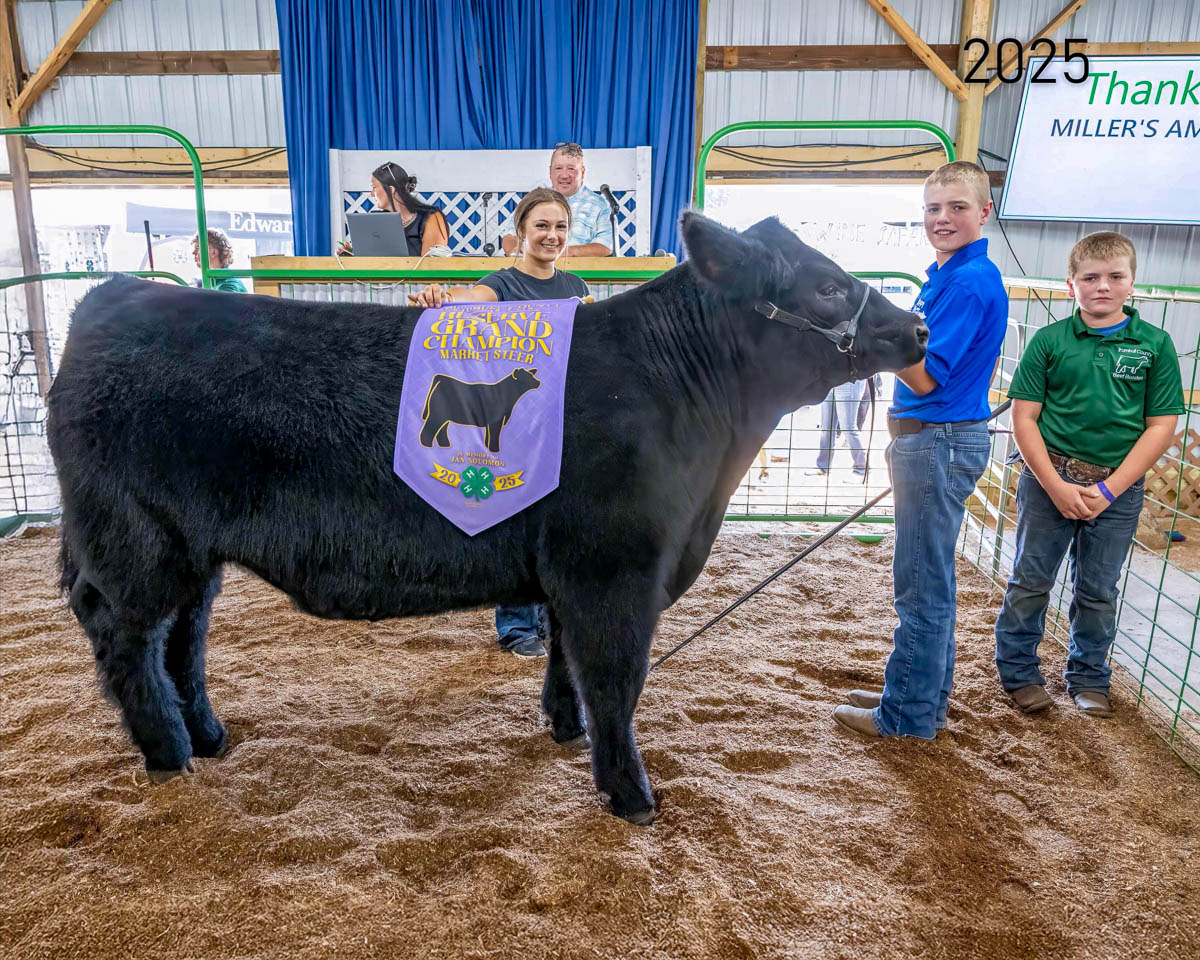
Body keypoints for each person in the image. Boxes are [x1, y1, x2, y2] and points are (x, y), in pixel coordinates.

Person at [832, 161, 1009, 739]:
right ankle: (915, 694)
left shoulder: (965, 282)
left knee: (920, 584)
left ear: (984, 212)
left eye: (958, 207)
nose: (943, 218)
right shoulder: (946, 274)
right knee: (930, 578)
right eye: (934, 208)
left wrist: (871, 342)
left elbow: (928, 376)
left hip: (937, 438)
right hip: (934, 439)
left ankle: (905, 717)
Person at [993, 233, 1184, 718]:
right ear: (1070, 284)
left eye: (1115, 277)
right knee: (1031, 579)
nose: (1103, 286)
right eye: (1090, 278)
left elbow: (1162, 425)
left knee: (1098, 588)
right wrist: (1056, 485)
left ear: (1132, 284)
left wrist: (1109, 489)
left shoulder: (1154, 345)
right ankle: (1018, 671)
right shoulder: (1050, 341)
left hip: (1117, 488)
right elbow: (1024, 418)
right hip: (1048, 478)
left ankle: (1089, 675)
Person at [410, 187, 588, 658]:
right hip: (514, 432)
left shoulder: (576, 289)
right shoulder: (503, 283)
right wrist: (441, 296)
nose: (552, 236)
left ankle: (552, 622)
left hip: (554, 421)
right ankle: (515, 626)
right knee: (515, 518)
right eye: (542, 226)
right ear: (520, 233)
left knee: (556, 524)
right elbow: (472, 297)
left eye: (560, 227)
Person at [500, 143, 614, 258]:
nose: (564, 175)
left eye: (571, 169)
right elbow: (510, 237)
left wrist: (559, 253)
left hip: (580, 273)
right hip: (533, 269)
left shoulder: (600, 205)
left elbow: (605, 247)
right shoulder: (533, 200)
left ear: (582, 172)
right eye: (558, 168)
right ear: (550, 172)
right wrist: (516, 251)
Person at [338, 161, 449, 257]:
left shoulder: (431, 217)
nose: (371, 194)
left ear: (391, 190)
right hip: (382, 281)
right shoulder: (378, 221)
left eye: (374, 188)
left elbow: (431, 267)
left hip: (416, 282)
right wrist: (353, 256)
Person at [807, 380, 867, 479]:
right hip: (829, 379)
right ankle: (823, 466)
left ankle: (862, 469)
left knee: (848, 428)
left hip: (849, 380)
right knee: (826, 427)